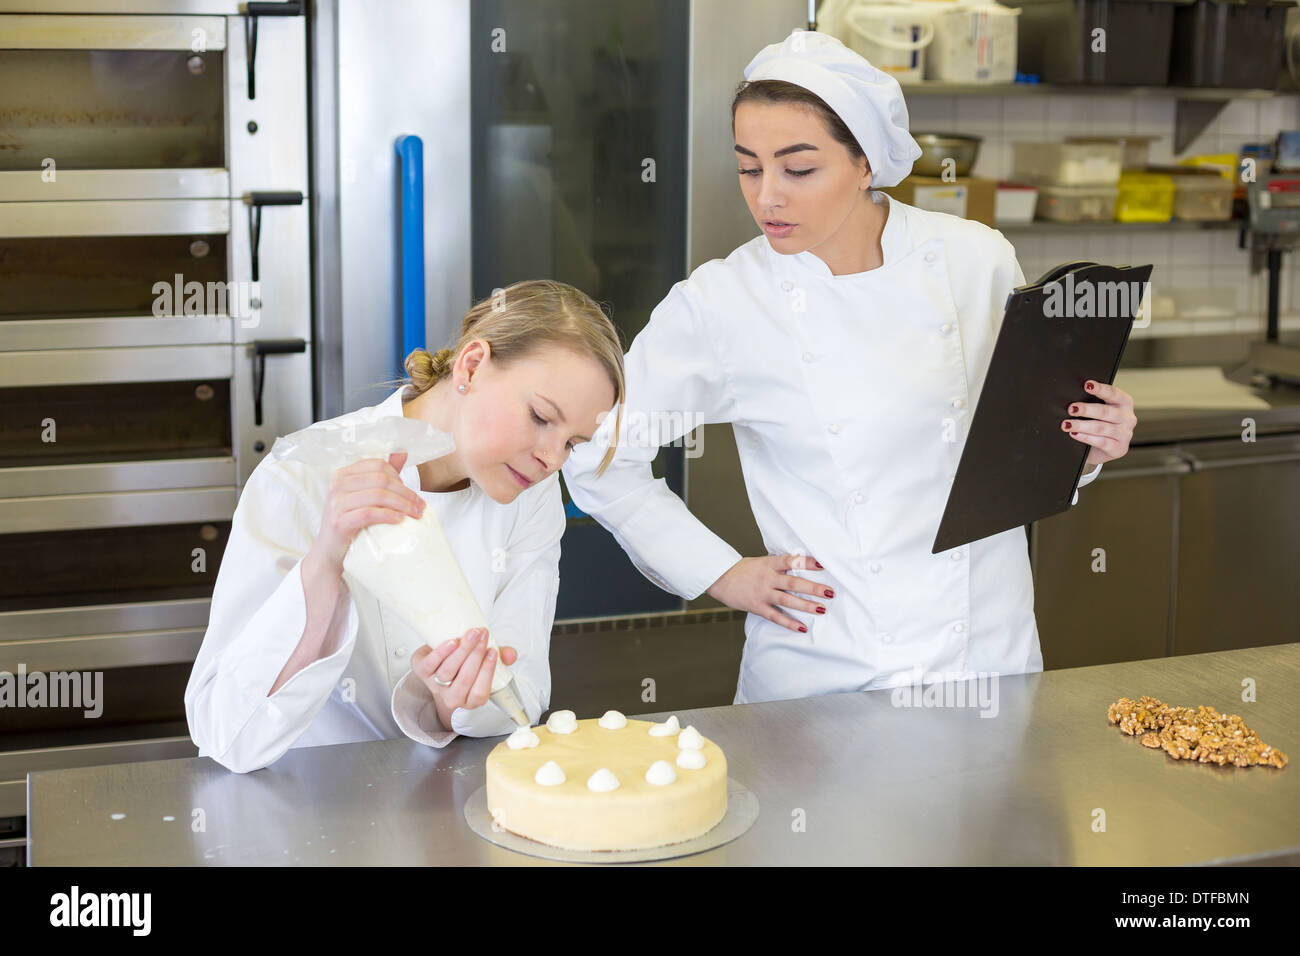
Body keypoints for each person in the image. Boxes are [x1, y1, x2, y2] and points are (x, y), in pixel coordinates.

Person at [560, 31, 1138, 704]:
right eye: (749, 167)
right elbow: (597, 456)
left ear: (866, 162)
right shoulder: (723, 303)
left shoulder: (976, 260)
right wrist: (721, 573)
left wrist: (1090, 443)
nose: (767, 197)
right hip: (827, 674)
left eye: (798, 169)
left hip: (989, 656)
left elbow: (1022, 446)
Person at [186, 280, 624, 772]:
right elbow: (222, 731)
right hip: (298, 812)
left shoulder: (531, 497)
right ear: (472, 365)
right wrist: (325, 564)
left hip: (441, 812)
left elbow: (521, 696)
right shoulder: (302, 475)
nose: (551, 458)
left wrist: (445, 702)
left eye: (573, 444)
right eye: (541, 417)